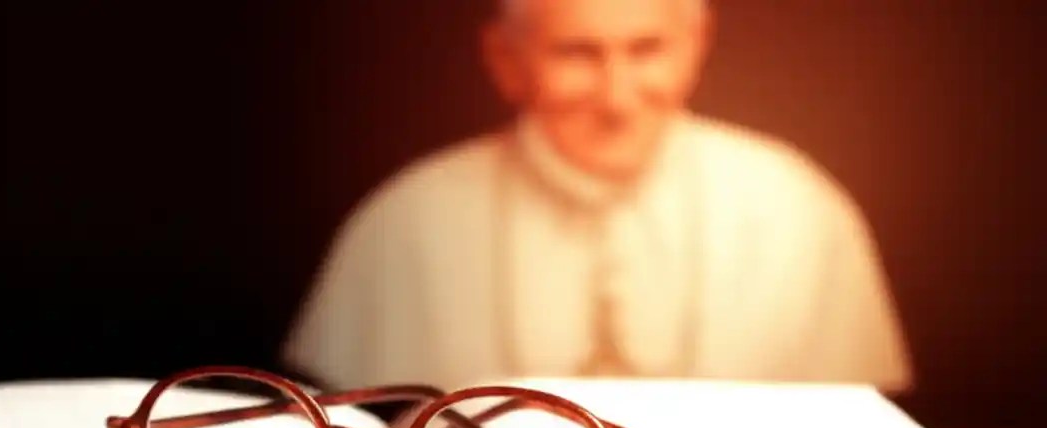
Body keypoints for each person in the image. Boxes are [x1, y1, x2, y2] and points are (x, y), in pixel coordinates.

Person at [283, 0, 913, 394]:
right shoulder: (410, 221)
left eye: (646, 50)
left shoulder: (795, 206)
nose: (616, 97)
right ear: (506, 59)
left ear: (696, 45)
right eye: (578, 54)